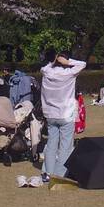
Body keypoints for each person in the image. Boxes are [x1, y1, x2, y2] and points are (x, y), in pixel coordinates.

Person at [39, 49, 86, 181]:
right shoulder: (68, 73)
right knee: (65, 147)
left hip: (50, 114)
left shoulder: (47, 72)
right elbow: (83, 64)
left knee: (52, 144)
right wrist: (68, 61)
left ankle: (48, 173)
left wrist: (54, 60)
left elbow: (44, 67)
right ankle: (59, 175)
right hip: (65, 115)